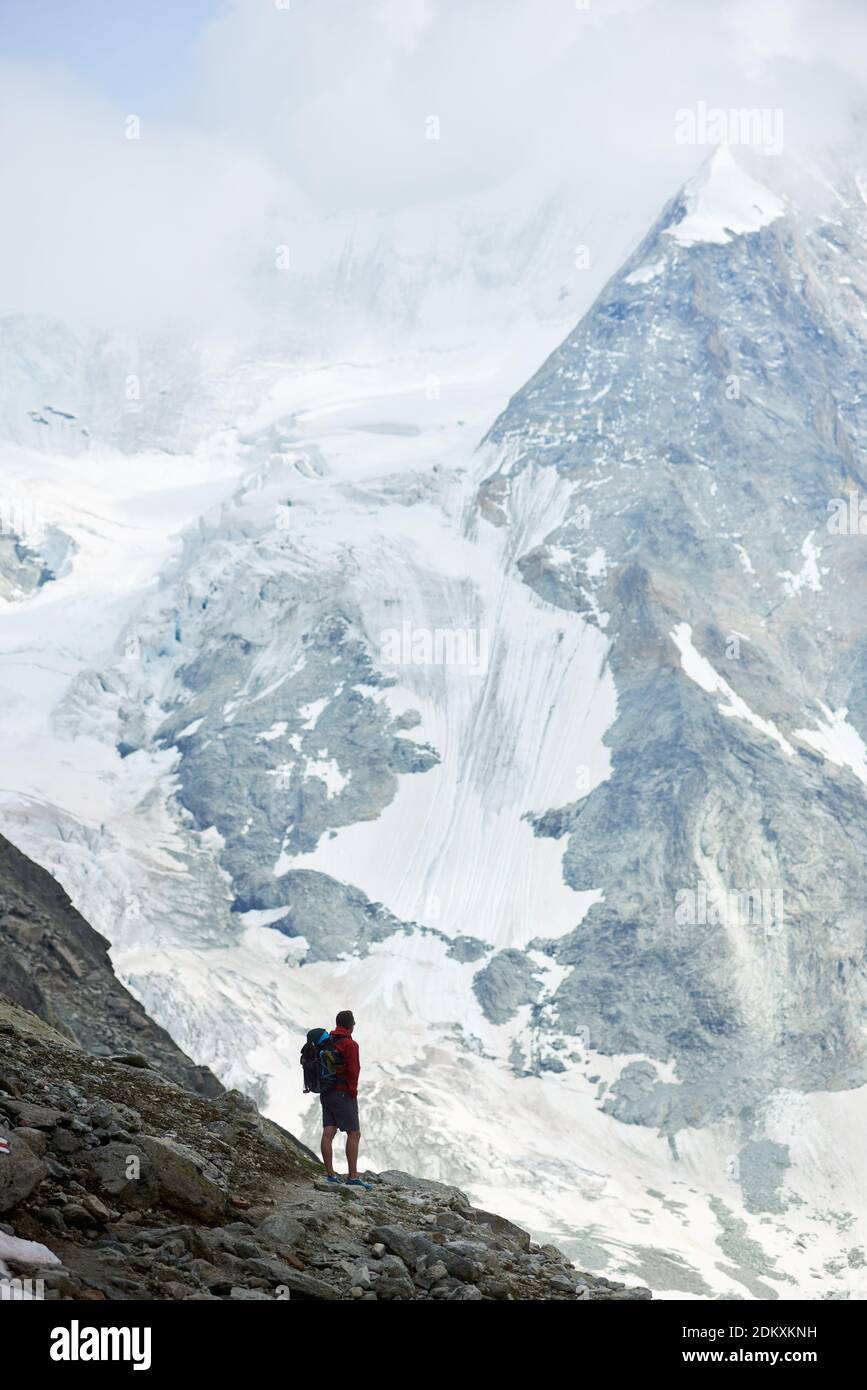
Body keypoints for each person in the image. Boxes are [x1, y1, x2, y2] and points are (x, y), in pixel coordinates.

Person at [320, 1010, 370, 1188]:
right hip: (342, 1093)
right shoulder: (350, 1045)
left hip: (326, 1092)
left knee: (328, 1132)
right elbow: (353, 1071)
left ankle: (330, 1175)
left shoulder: (327, 1041)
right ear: (350, 1025)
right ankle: (353, 1177)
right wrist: (352, 1092)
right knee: (354, 1133)